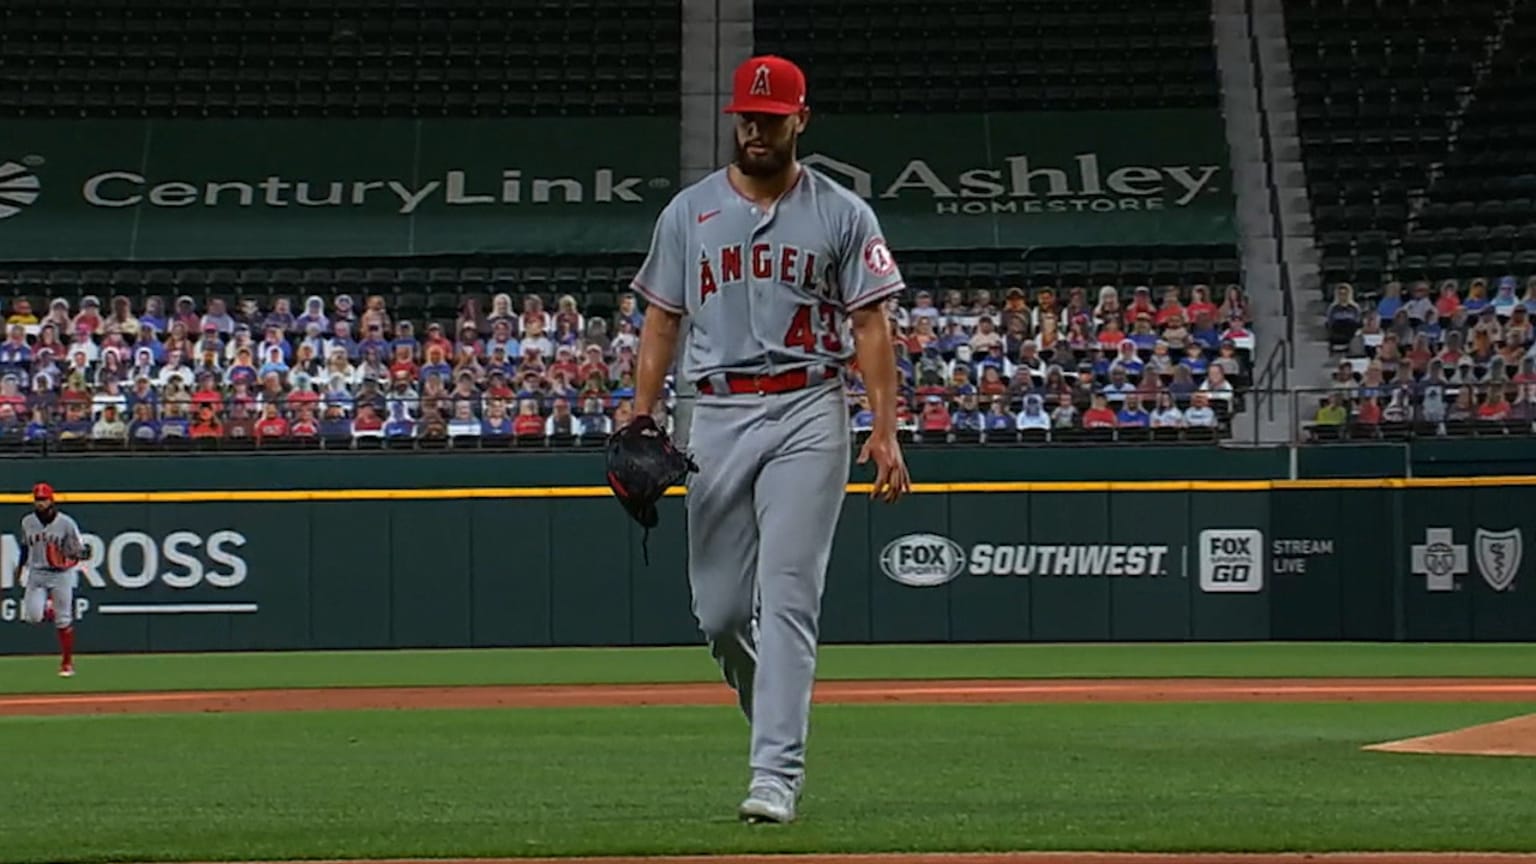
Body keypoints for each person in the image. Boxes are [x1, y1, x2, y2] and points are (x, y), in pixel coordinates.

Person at [628, 54, 910, 825]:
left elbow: (870, 326)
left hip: (808, 410)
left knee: (789, 594)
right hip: (713, 415)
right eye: (746, 117)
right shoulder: (689, 213)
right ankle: (776, 721)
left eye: (771, 116)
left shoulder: (844, 213)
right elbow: (661, 319)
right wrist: (640, 415)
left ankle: (775, 772)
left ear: (800, 120)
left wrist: (884, 429)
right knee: (719, 613)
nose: (755, 129)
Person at [15, 483, 84, 677]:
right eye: (37, 499)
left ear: (51, 500)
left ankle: (67, 663)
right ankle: (48, 608)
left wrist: (75, 555)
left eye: (44, 499)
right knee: (32, 617)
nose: (40, 503)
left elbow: (77, 550)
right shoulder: (27, 522)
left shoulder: (66, 523)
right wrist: (19, 570)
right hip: (37, 573)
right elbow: (25, 548)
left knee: (64, 620)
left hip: (60, 575)